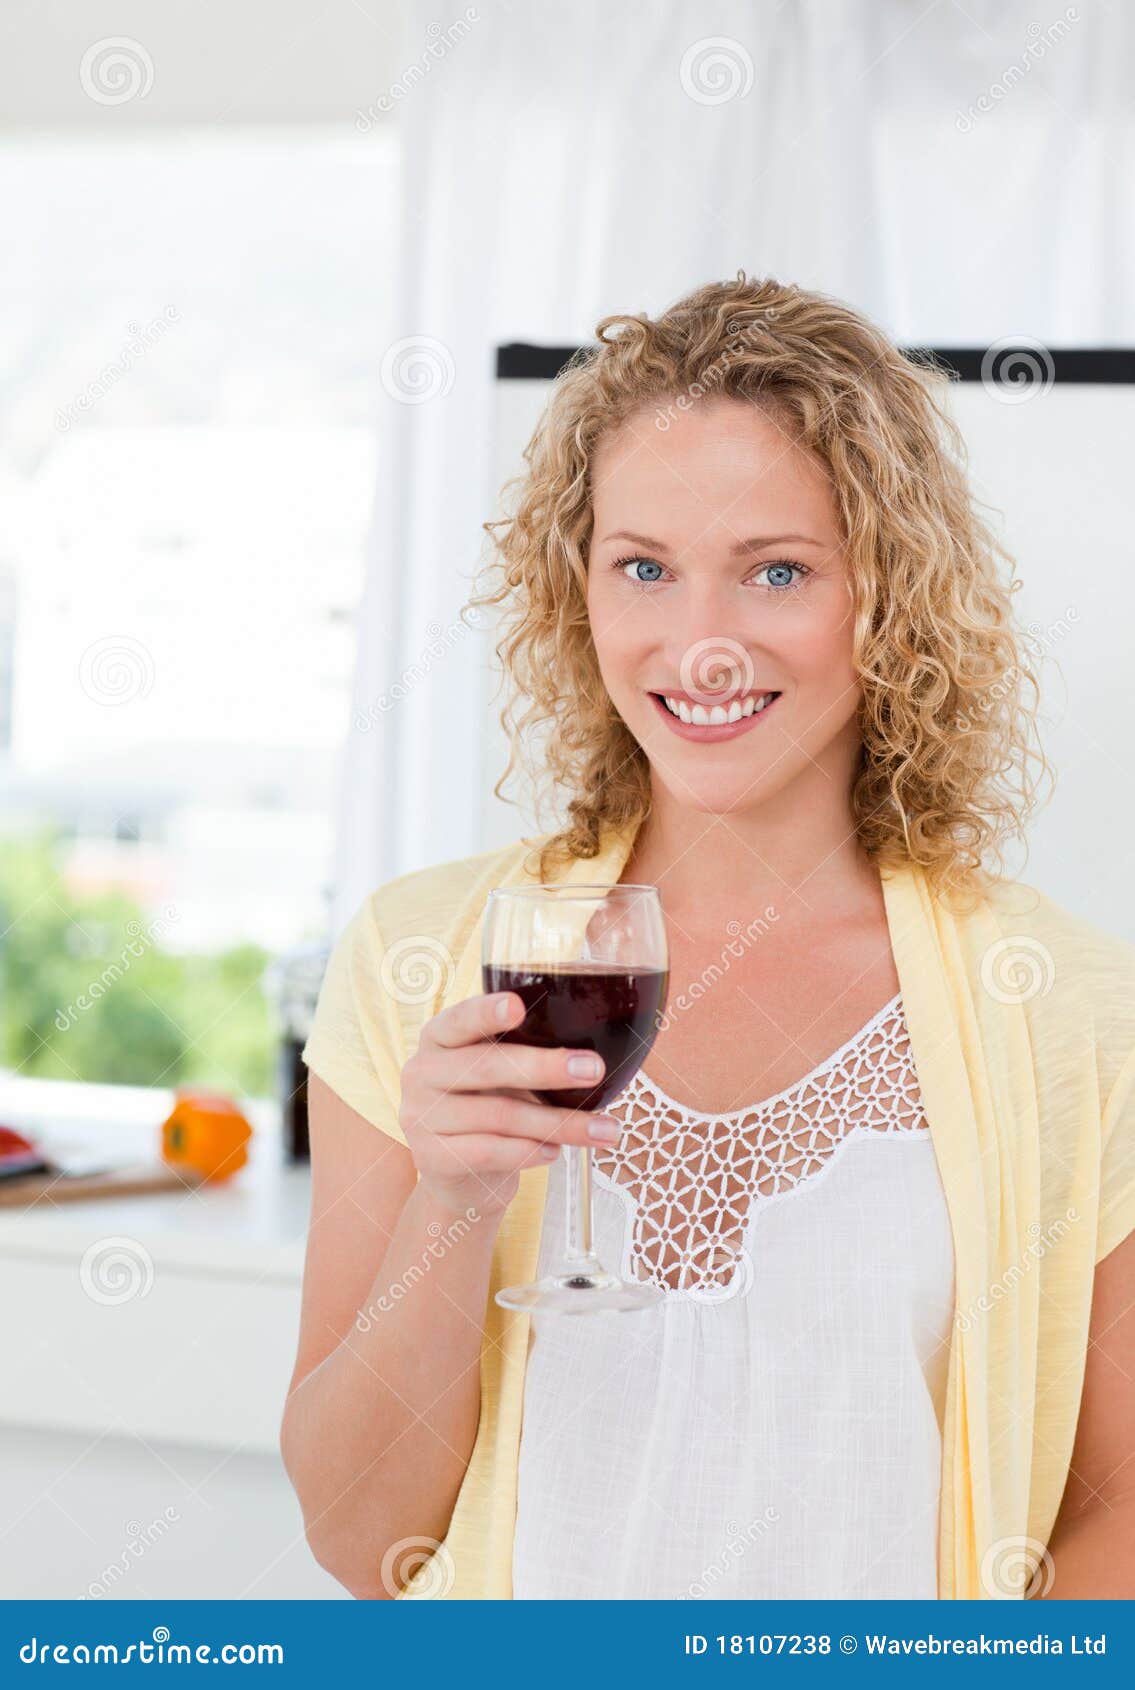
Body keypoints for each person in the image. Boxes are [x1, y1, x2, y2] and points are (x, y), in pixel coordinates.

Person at [280, 273, 1135, 1602]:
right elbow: (354, 1533)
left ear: (887, 596)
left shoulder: (1067, 1007)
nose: (702, 643)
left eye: (776, 570)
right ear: (581, 592)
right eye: (645, 569)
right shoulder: (419, 957)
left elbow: (1120, 1511)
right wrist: (453, 1205)